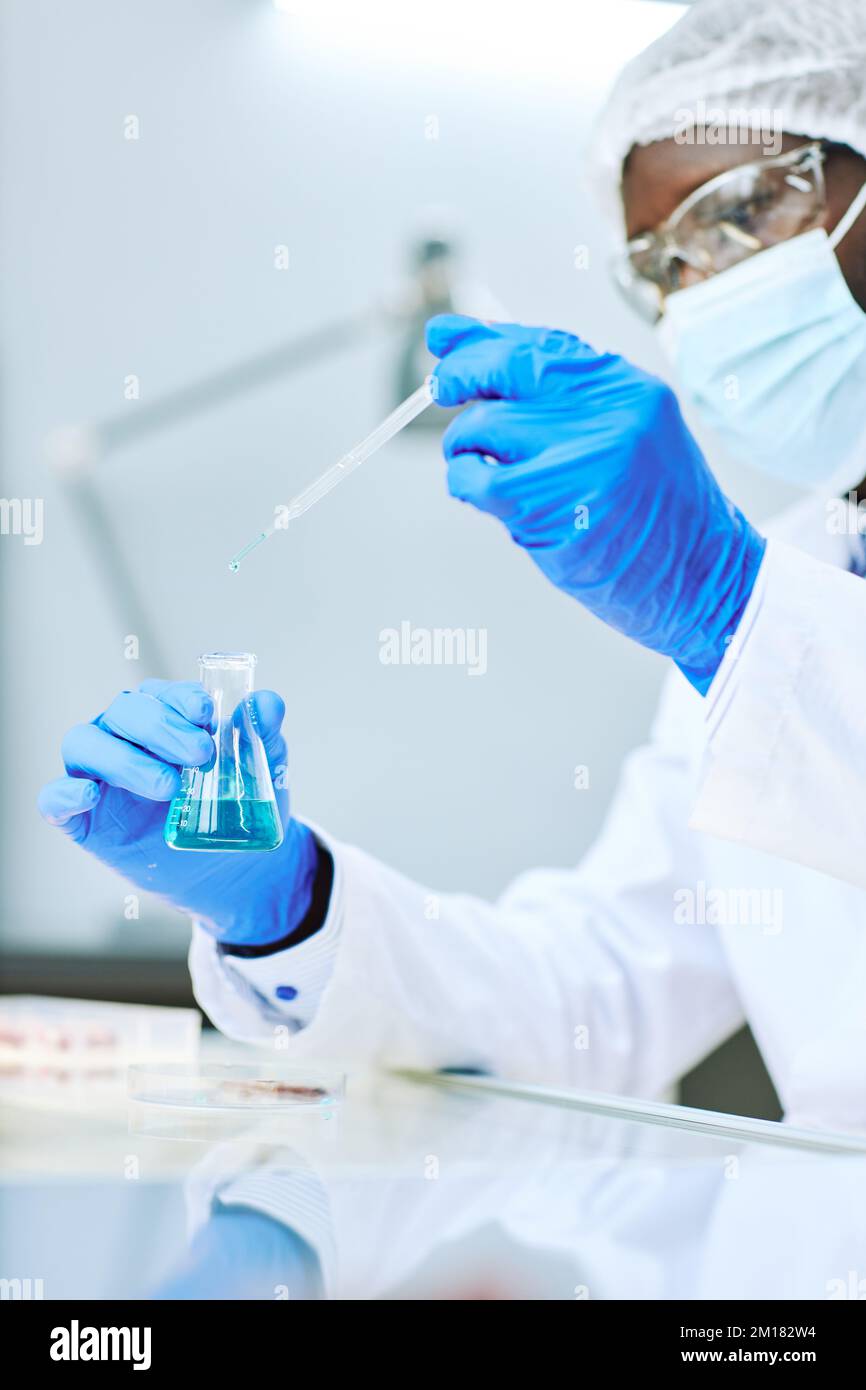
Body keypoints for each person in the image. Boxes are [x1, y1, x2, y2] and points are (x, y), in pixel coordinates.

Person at [38, 0, 866, 1131]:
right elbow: (592, 993)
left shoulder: (746, 601)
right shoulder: (793, 575)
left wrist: (729, 613)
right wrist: (289, 906)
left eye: (741, 209)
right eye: (664, 264)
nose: (706, 289)